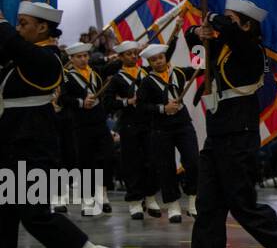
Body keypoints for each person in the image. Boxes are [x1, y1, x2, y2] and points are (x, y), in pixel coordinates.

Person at [175, 0, 277, 248]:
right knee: (208, 202)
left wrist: (211, 16)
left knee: (241, 201)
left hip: (238, 131)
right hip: (218, 130)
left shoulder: (250, 49)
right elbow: (195, 54)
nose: (221, 24)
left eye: (231, 19)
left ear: (247, 25)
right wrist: (196, 32)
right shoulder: (221, 47)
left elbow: (231, 34)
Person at [0, 2, 116, 248]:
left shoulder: (49, 59)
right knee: (3, 212)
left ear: (42, 28)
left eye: (23, 23)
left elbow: (13, 45)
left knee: (35, 215)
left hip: (35, 147)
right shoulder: (21, 56)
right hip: (10, 144)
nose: (17, 28)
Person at [137, 43, 200, 223]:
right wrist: (162, 108)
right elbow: (141, 107)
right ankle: (172, 204)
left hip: (183, 124)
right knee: (166, 166)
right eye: (153, 60)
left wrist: (202, 49)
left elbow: (198, 68)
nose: (158, 62)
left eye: (160, 58)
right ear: (149, 62)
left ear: (166, 57)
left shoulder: (178, 73)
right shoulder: (147, 82)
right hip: (160, 128)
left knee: (193, 161)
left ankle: (193, 200)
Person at [104, 41, 162, 220]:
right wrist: (125, 102)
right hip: (129, 125)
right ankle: (134, 200)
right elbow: (108, 103)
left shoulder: (146, 73)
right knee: (132, 163)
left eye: (135, 53)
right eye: (128, 54)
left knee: (152, 160)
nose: (133, 57)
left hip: (149, 123)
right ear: (121, 57)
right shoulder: (117, 78)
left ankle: (150, 196)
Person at [59, 42, 114, 216]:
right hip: (80, 123)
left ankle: (103, 194)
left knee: (106, 157)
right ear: (71, 58)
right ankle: (87, 199)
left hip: (99, 121)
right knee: (85, 162)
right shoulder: (66, 76)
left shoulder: (95, 72)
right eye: (78, 57)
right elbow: (63, 99)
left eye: (85, 56)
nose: (83, 59)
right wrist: (81, 102)